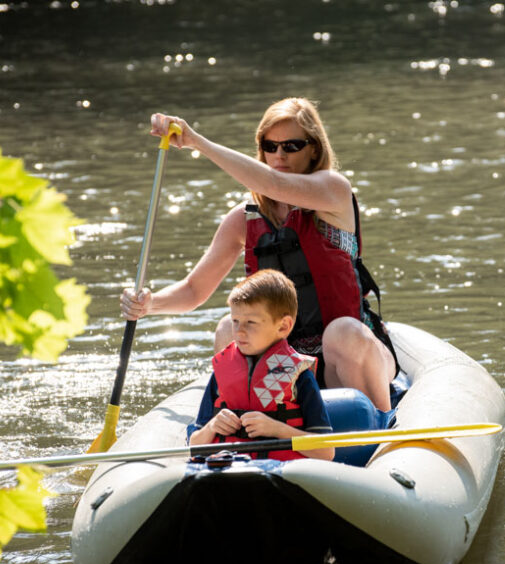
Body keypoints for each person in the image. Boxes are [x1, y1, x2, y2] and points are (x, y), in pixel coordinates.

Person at [120, 97, 398, 410]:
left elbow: (275, 183)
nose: (279, 155)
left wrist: (195, 141)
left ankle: (378, 424)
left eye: (291, 145)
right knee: (229, 328)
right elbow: (194, 290)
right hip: (287, 363)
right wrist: (149, 304)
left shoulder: (333, 190)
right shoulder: (243, 219)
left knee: (342, 332)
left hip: (347, 354)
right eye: (270, 145)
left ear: (314, 149)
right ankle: (244, 428)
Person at [186, 269, 334, 461]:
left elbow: (326, 452)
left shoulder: (299, 376)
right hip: (226, 470)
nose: (239, 332)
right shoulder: (221, 375)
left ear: (283, 326)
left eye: (251, 322)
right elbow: (194, 445)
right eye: (235, 321)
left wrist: (276, 428)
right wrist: (212, 426)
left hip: (282, 474)